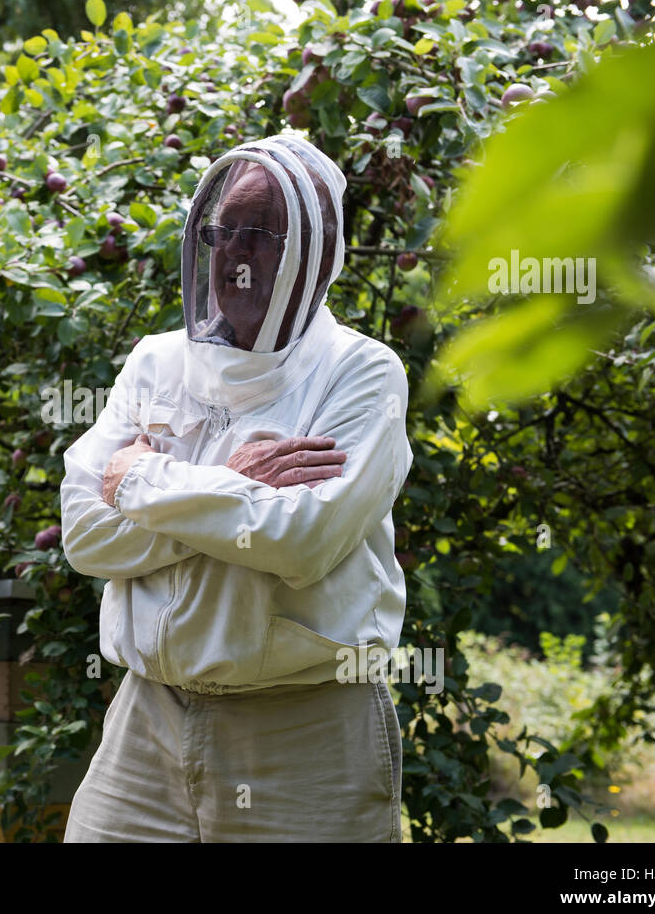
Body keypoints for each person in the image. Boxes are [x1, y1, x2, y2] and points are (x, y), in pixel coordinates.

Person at [57, 133, 414, 842]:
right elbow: (84, 532)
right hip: (146, 720)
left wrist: (144, 478)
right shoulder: (154, 361)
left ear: (316, 255)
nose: (233, 252)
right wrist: (233, 485)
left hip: (304, 727)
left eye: (260, 233)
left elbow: (300, 540)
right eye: (223, 229)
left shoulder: (364, 375)